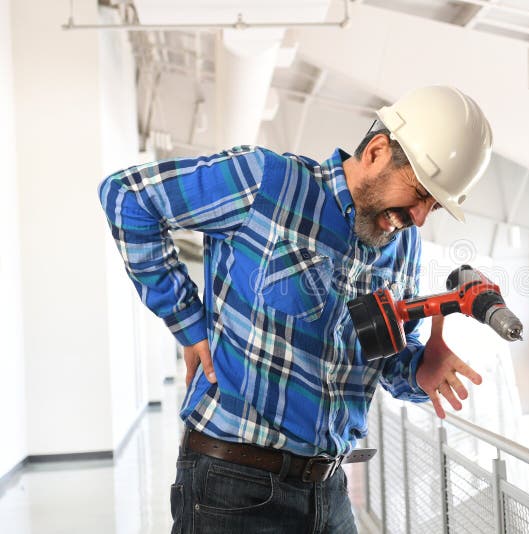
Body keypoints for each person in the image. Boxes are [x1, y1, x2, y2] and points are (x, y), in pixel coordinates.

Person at [99, 85, 493, 533]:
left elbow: (385, 355)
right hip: (233, 486)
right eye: (419, 193)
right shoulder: (266, 182)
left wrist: (419, 368)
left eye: (433, 206)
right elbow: (128, 197)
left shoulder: (402, 247)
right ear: (378, 151)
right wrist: (189, 324)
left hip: (328, 490)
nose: (420, 217)